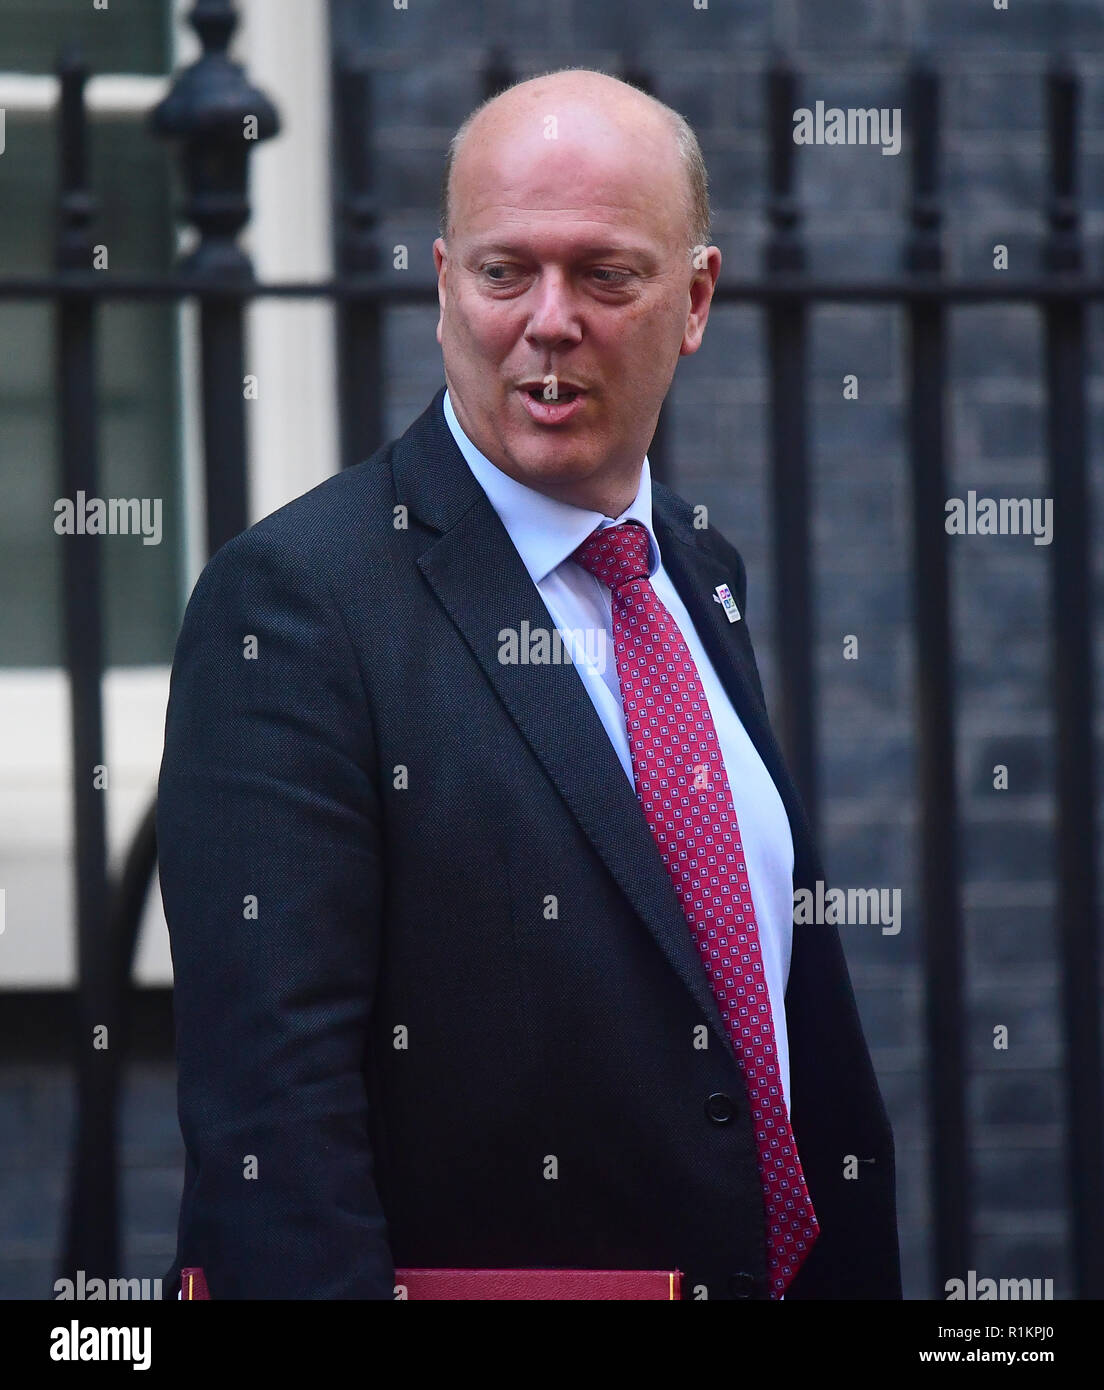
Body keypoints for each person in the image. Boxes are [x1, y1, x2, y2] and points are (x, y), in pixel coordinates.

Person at [158, 66, 900, 1300]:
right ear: (446, 286)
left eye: (606, 275)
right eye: (506, 273)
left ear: (697, 297)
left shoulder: (696, 575)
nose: (549, 320)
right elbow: (273, 1139)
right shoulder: (295, 605)